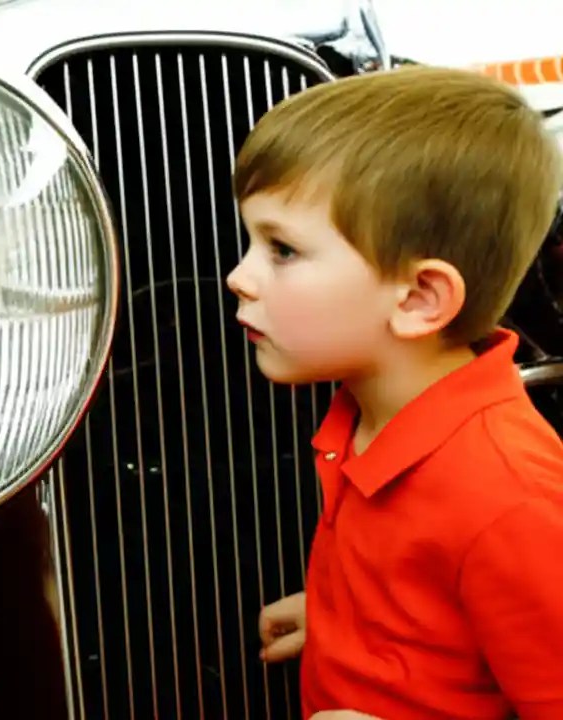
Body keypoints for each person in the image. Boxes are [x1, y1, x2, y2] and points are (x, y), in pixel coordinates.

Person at [225, 65, 563, 719]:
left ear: (418, 298)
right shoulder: (367, 412)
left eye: (283, 250)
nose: (239, 276)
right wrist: (345, 624)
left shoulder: (508, 495)